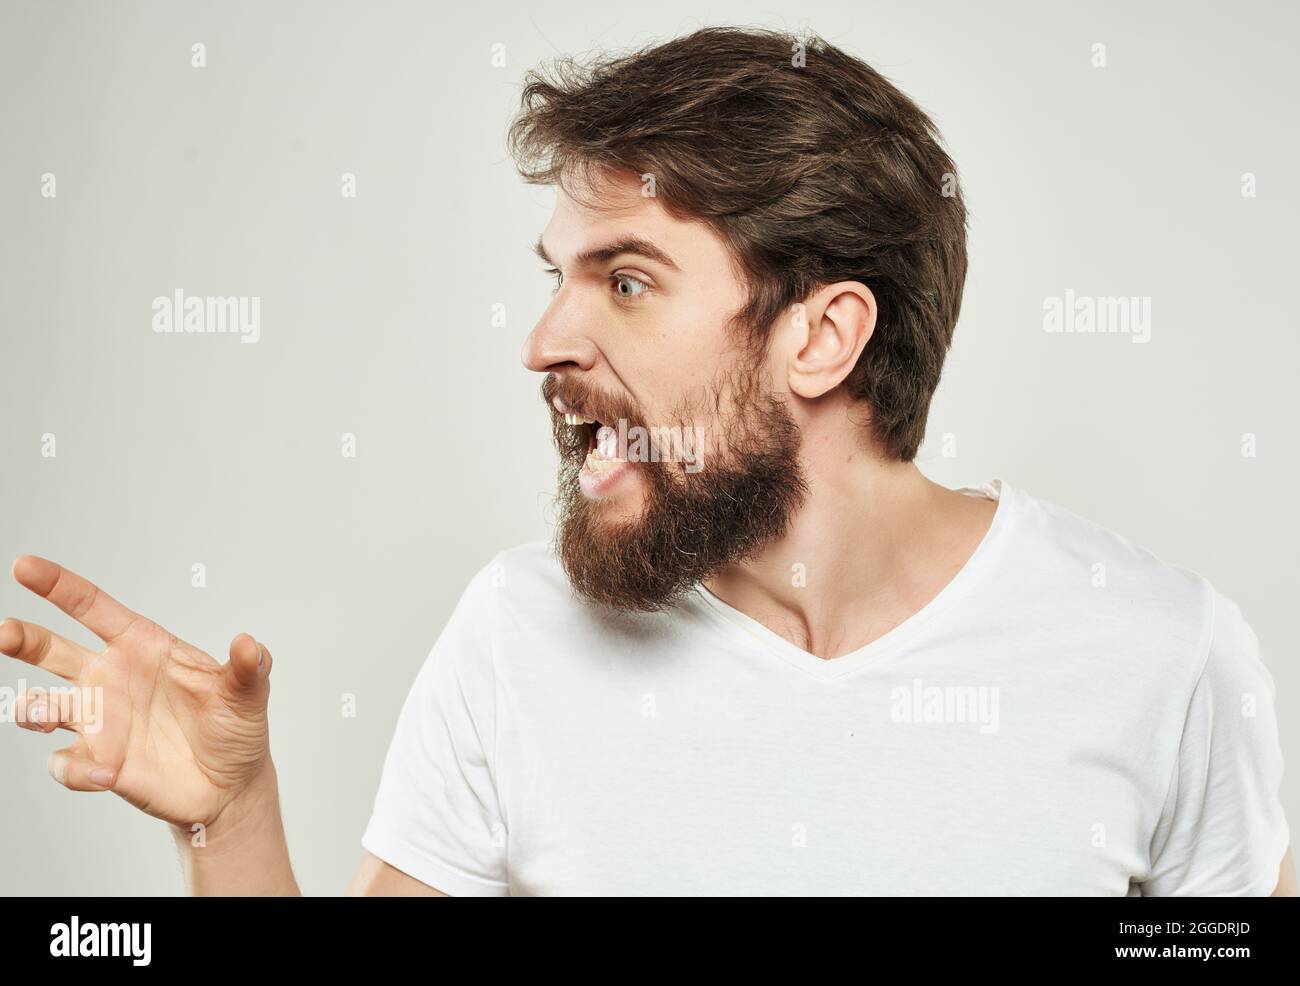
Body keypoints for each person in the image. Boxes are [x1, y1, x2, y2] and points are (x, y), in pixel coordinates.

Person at [3, 26, 1293, 896]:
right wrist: (230, 818)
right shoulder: (515, 637)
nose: (545, 342)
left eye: (626, 280)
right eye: (556, 279)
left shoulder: (1162, 656)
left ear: (823, 333)